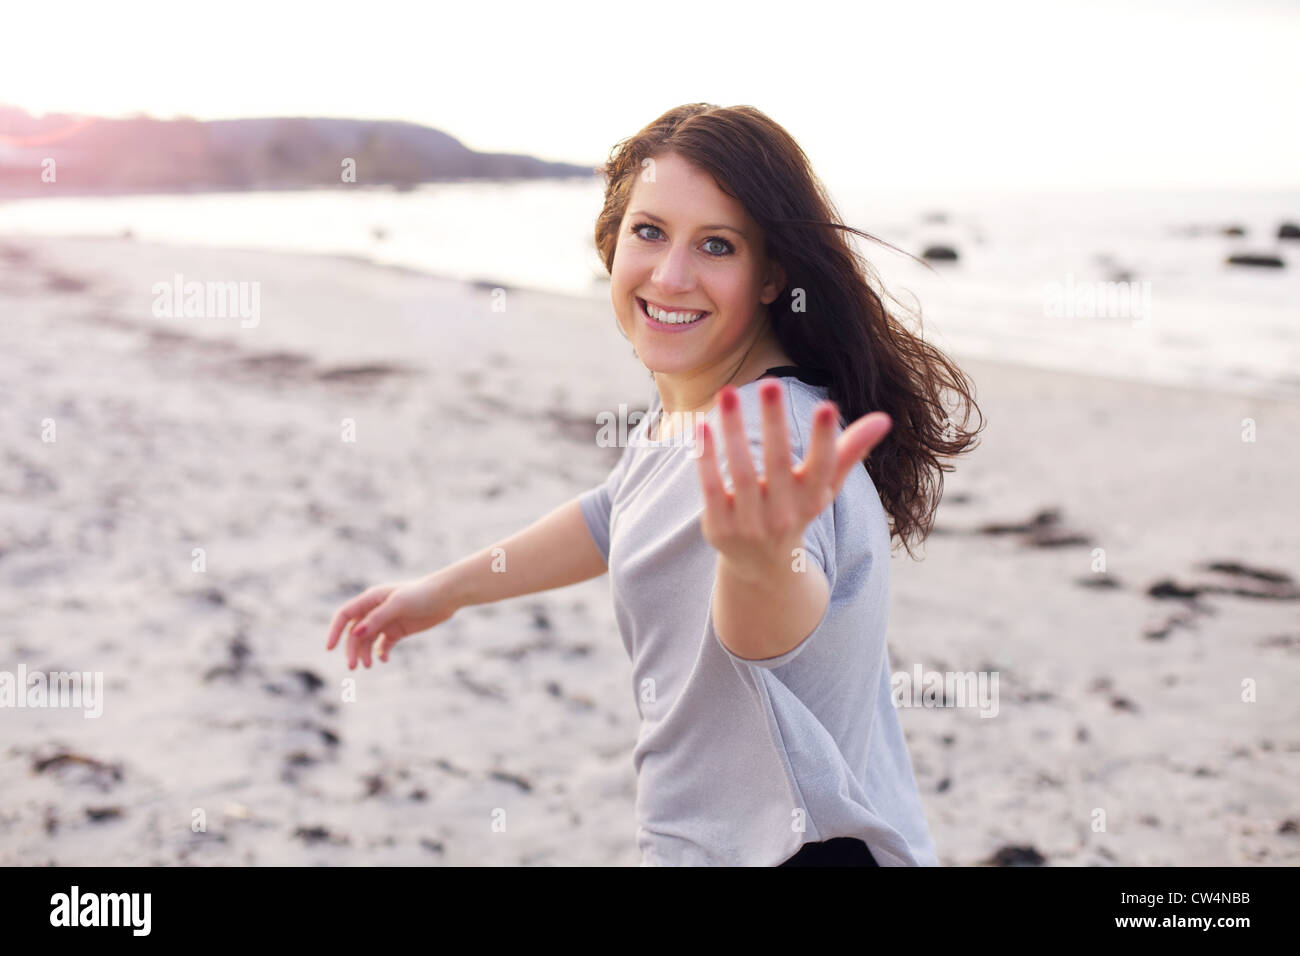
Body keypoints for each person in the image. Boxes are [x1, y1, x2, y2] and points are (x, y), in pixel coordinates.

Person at [326, 103, 984, 866]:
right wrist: (442, 591)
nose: (671, 275)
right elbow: (615, 514)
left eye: (717, 245)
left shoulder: (772, 436)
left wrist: (758, 562)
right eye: (650, 231)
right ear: (611, 239)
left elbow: (772, 639)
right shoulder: (694, 403)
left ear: (771, 274)